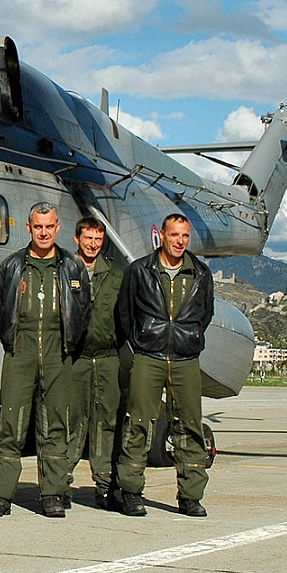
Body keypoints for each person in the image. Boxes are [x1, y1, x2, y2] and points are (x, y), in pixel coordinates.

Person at [0, 203, 91, 518]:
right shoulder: (12, 265)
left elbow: (84, 310)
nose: (43, 232)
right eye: (38, 227)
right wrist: (11, 340)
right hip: (21, 350)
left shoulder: (72, 267)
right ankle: (1, 494)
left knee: (55, 424)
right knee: (11, 423)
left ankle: (53, 494)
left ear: (58, 228)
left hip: (59, 353)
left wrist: (70, 343)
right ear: (28, 228)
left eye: (49, 227)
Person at [116, 213, 214, 518]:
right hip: (149, 356)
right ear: (162, 236)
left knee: (190, 427)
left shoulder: (200, 273)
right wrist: (142, 341)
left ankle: (190, 496)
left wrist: (187, 337)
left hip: (185, 359)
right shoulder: (140, 271)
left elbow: (205, 313)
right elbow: (125, 313)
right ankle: (131, 491)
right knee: (138, 424)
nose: (180, 241)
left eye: (185, 236)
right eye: (174, 235)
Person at [65, 216, 126, 511]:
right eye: (88, 238)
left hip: (106, 357)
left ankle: (104, 486)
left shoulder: (115, 275)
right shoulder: (64, 270)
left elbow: (126, 316)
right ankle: (59, 484)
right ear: (77, 238)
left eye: (98, 240)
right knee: (70, 421)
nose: (93, 244)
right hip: (74, 359)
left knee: (106, 422)